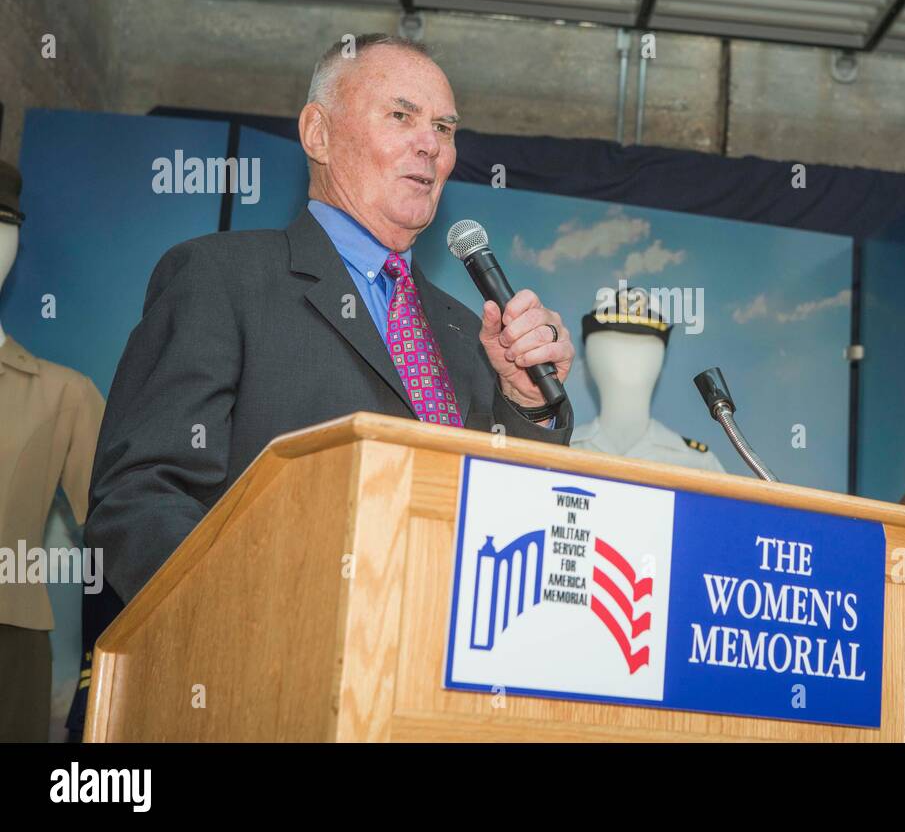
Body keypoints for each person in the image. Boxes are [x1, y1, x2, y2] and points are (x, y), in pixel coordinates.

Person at [83, 33, 576, 611]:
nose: (429, 145)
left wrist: (527, 406)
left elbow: (513, 516)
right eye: (401, 115)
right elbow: (139, 496)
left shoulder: (470, 330)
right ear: (318, 133)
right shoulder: (221, 278)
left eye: (444, 128)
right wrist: (251, 625)